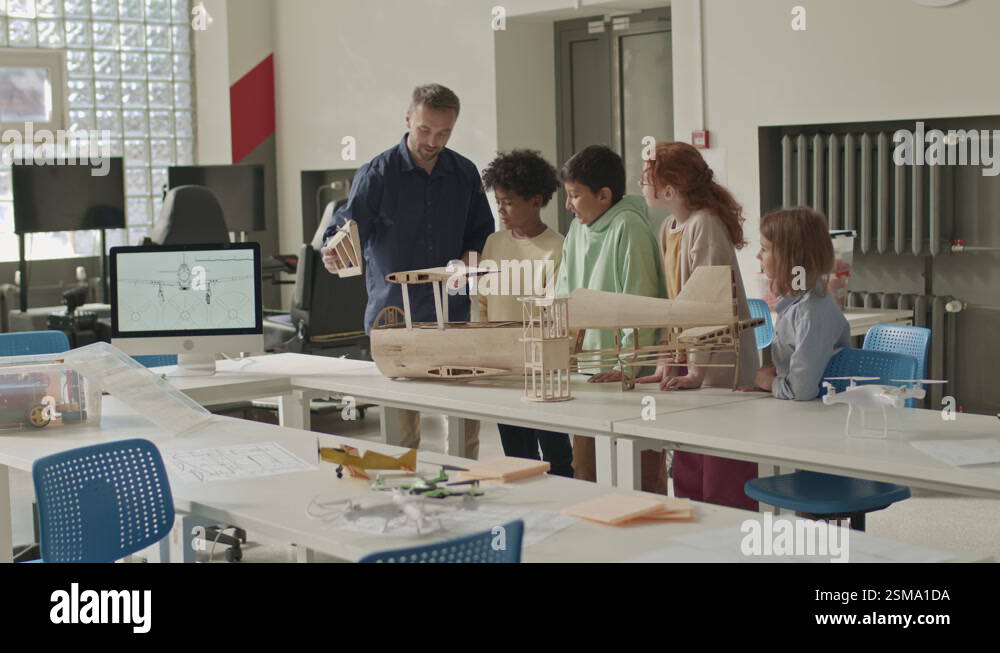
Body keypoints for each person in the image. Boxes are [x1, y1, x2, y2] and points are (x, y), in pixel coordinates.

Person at [321, 83, 494, 457]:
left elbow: (481, 235)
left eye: (444, 132)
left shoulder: (464, 172)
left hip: (452, 315)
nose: (433, 140)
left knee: (463, 426)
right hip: (393, 319)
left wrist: (470, 261)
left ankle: (465, 493)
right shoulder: (377, 174)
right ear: (408, 120)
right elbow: (344, 229)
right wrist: (333, 251)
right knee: (401, 436)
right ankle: (403, 502)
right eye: (425, 130)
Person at [635, 141, 759, 510]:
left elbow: (710, 305)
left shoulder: (704, 224)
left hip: (719, 361)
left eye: (646, 179)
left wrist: (697, 369)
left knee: (722, 472)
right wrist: (666, 361)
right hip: (693, 359)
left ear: (669, 189)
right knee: (689, 467)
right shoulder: (670, 226)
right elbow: (674, 305)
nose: (641, 185)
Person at [553, 145, 668, 491]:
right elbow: (564, 293)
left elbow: (640, 303)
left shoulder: (628, 228)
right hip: (587, 370)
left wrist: (629, 365)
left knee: (640, 474)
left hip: (629, 377)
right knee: (586, 471)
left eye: (575, 195)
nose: (568, 205)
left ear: (604, 195)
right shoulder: (578, 229)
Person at [479, 149, 573, 477]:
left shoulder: (557, 247)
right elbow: (482, 300)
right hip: (501, 367)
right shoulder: (492, 243)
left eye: (508, 202)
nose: (501, 210)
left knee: (557, 454)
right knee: (516, 456)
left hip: (542, 368)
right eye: (498, 201)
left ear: (535, 201)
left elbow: (556, 310)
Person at [741, 206, 851, 400]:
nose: (759, 256)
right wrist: (772, 384)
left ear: (789, 258)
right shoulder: (795, 300)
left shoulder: (811, 312)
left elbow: (801, 391)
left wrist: (767, 382)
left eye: (765, 249)